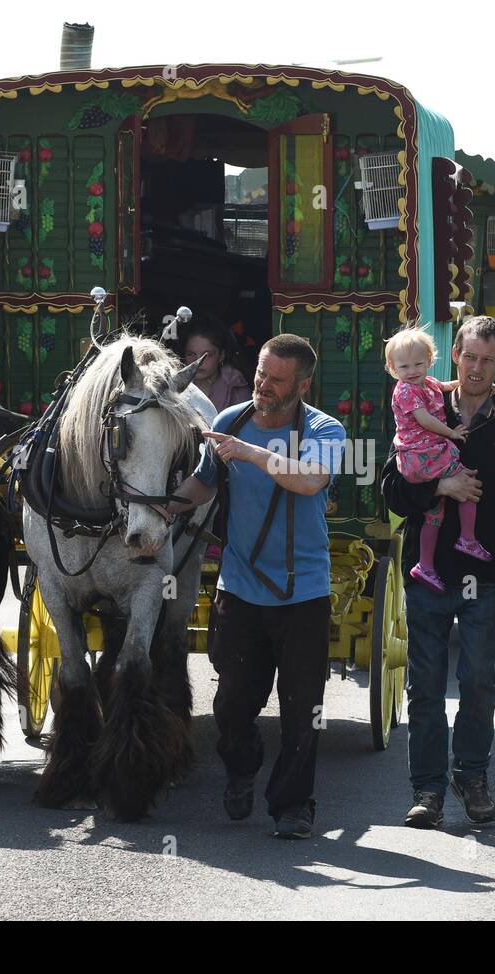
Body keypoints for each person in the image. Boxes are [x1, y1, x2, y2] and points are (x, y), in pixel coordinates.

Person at [165, 333, 345, 840]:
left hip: (303, 592)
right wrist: (161, 504)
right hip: (239, 590)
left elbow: (310, 479)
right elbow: (202, 482)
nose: (263, 385)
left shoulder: (324, 429)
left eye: (276, 379)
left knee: (302, 708)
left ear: (303, 385)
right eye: (261, 373)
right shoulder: (231, 421)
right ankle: (242, 766)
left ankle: (293, 806)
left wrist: (248, 453)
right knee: (232, 706)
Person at [380, 316, 495, 829]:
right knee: (425, 684)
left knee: (477, 679)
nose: (476, 367)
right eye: (469, 356)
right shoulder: (418, 401)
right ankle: (427, 788)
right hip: (429, 573)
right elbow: (391, 489)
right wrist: (438, 490)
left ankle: (471, 775)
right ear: (454, 355)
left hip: (486, 573)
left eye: (488, 360)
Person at [386, 328, 492, 595]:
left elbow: (445, 386)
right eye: (404, 366)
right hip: (422, 456)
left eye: (418, 364)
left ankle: (425, 565)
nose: (412, 371)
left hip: (421, 458)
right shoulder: (406, 391)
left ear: (430, 360)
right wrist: (452, 433)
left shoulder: (428, 384)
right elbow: (425, 420)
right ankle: (468, 538)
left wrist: (464, 384)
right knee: (466, 480)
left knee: (434, 514)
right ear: (392, 368)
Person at [178, 317, 251, 413]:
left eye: (207, 355)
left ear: (221, 356)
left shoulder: (234, 384)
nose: (198, 361)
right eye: (191, 354)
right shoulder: (175, 384)